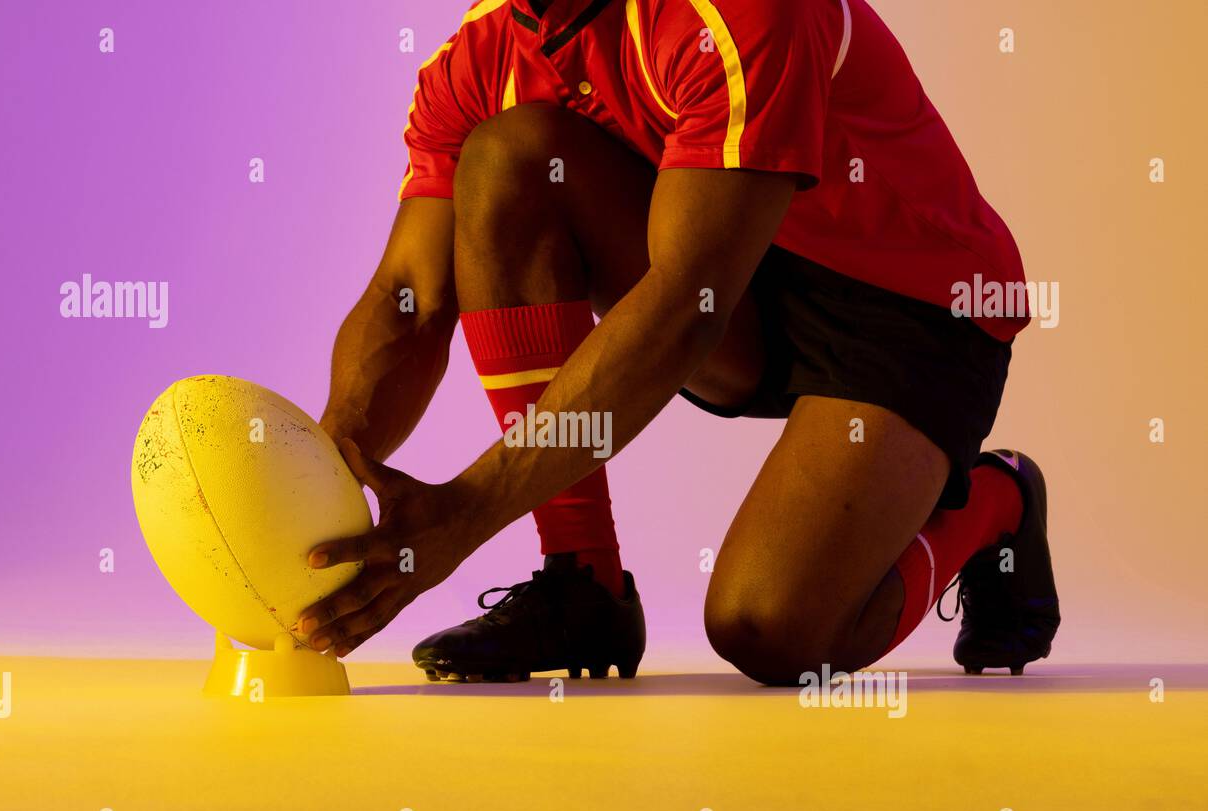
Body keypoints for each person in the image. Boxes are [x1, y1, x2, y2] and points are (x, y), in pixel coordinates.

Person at [298, 0, 1060, 685]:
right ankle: (582, 583)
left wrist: (463, 515)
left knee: (772, 631)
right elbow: (411, 297)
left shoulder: (741, 13)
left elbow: (684, 308)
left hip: (910, 309)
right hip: (741, 290)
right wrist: (305, 491)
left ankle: (999, 499)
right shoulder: (480, 52)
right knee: (508, 160)